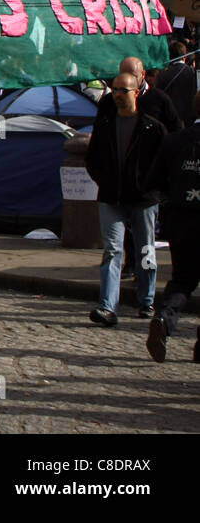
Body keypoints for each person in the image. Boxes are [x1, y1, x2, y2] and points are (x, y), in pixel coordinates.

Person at [85, 72, 166, 326]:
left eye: (123, 90)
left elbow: (163, 164)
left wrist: (150, 189)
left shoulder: (152, 127)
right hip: (111, 197)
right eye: (115, 90)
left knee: (145, 250)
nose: (118, 95)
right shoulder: (106, 124)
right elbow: (92, 158)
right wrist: (104, 181)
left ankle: (147, 301)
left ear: (136, 92)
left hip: (143, 199)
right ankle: (107, 307)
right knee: (112, 250)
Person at [145, 89, 200, 362]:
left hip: (182, 220)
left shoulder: (174, 141)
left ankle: (164, 319)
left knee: (182, 279)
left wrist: (173, 199)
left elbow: (154, 180)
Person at [154, 40, 197, 128]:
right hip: (190, 118)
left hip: (169, 120)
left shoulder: (162, 75)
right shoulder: (194, 73)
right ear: (184, 57)